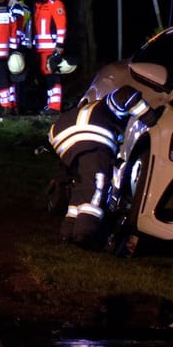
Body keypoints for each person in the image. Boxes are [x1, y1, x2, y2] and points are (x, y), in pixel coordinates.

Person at [48, 85, 153, 250]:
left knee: (82, 188)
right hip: (88, 135)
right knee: (97, 186)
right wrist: (150, 116)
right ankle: (85, 234)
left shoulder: (96, 109)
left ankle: (68, 231)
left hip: (62, 138)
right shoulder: (110, 104)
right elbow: (126, 93)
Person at [34, 0, 68, 113]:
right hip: (41, 48)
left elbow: (61, 26)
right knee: (47, 77)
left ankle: (55, 106)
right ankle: (50, 104)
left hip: (52, 47)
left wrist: (59, 44)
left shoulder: (56, 4)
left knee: (53, 76)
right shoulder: (38, 5)